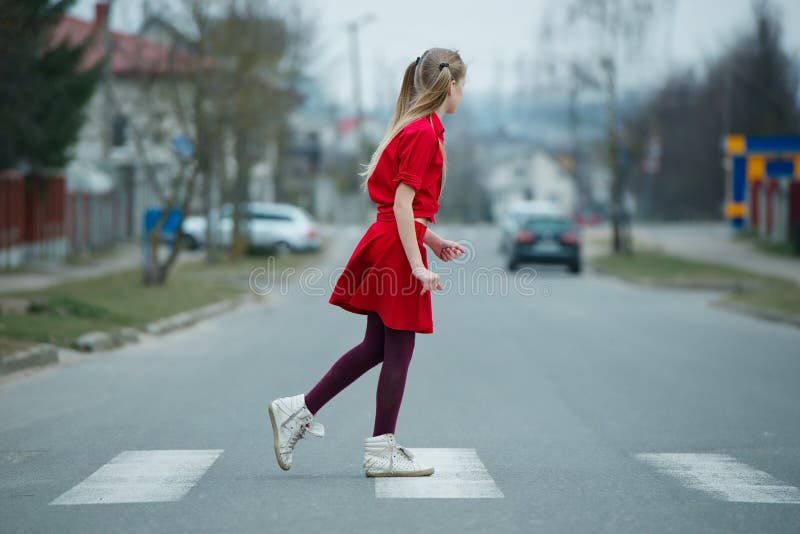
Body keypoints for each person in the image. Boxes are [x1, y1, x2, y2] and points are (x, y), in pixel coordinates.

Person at [268, 48, 467, 477]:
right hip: (396, 250)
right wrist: (416, 264)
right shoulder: (423, 133)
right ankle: (380, 449)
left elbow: (407, 213)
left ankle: (298, 410)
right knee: (399, 348)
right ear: (451, 86)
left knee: (379, 347)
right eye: (462, 86)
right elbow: (400, 205)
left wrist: (431, 241)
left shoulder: (423, 127)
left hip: (396, 241)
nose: (462, 94)